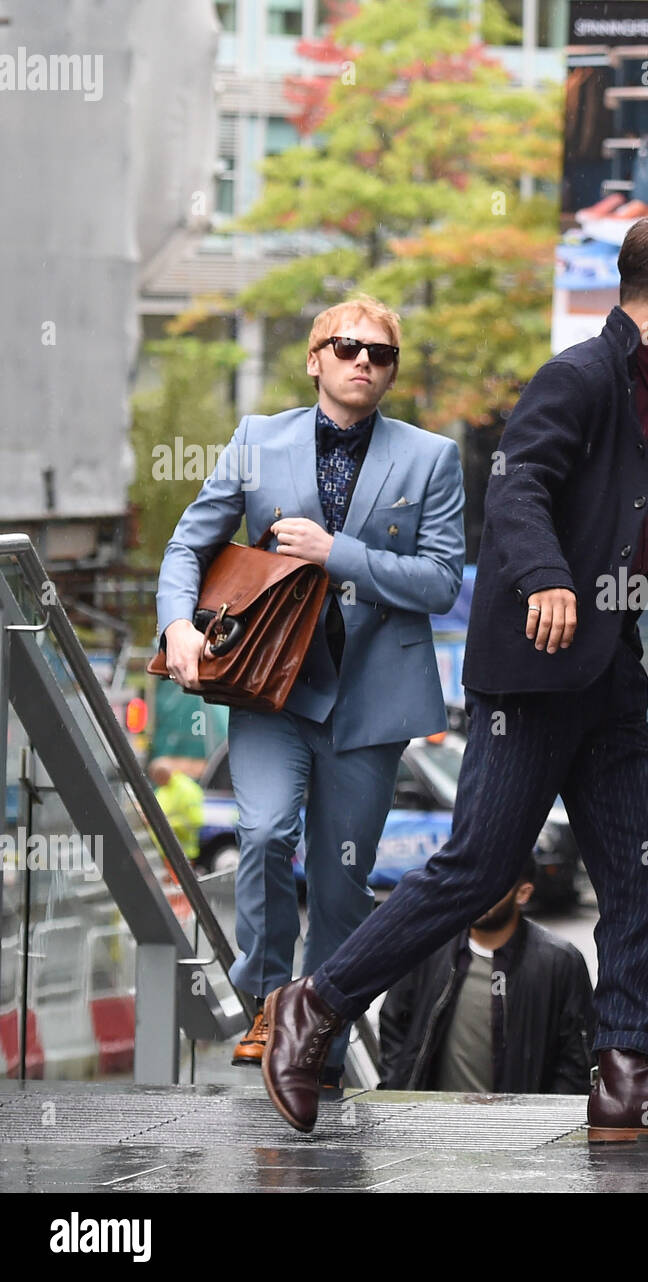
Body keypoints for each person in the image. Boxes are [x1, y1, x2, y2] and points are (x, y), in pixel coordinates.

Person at [259, 217, 648, 1141]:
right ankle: (314, 1006)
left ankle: (630, 1077)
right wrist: (549, 579)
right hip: (535, 668)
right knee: (477, 866)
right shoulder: (577, 377)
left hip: (607, 673)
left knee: (646, 877)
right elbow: (518, 485)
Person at [157, 294, 465, 1086]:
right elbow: (189, 544)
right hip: (271, 689)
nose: (364, 360)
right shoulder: (259, 441)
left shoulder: (430, 457)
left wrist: (340, 552)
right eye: (348, 346)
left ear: (391, 371)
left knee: (340, 877)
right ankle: (266, 1001)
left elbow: (437, 584)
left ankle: (317, 1025)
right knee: (261, 835)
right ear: (315, 358)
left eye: (381, 353)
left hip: (371, 699)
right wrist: (177, 628)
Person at [378, 858, 596, 1094]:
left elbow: (578, 1058)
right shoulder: (428, 946)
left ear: (522, 893)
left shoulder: (559, 961)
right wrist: (398, 1089)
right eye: (472, 883)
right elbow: (394, 1024)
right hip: (433, 1122)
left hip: (521, 1126)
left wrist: (542, 1120)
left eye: (492, 887)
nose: (478, 895)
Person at [148, 760, 204, 865]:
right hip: (167, 853)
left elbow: (196, 821)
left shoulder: (186, 789)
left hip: (182, 855)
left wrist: (164, 824)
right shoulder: (163, 789)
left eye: (156, 779)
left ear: (161, 775)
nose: (156, 782)